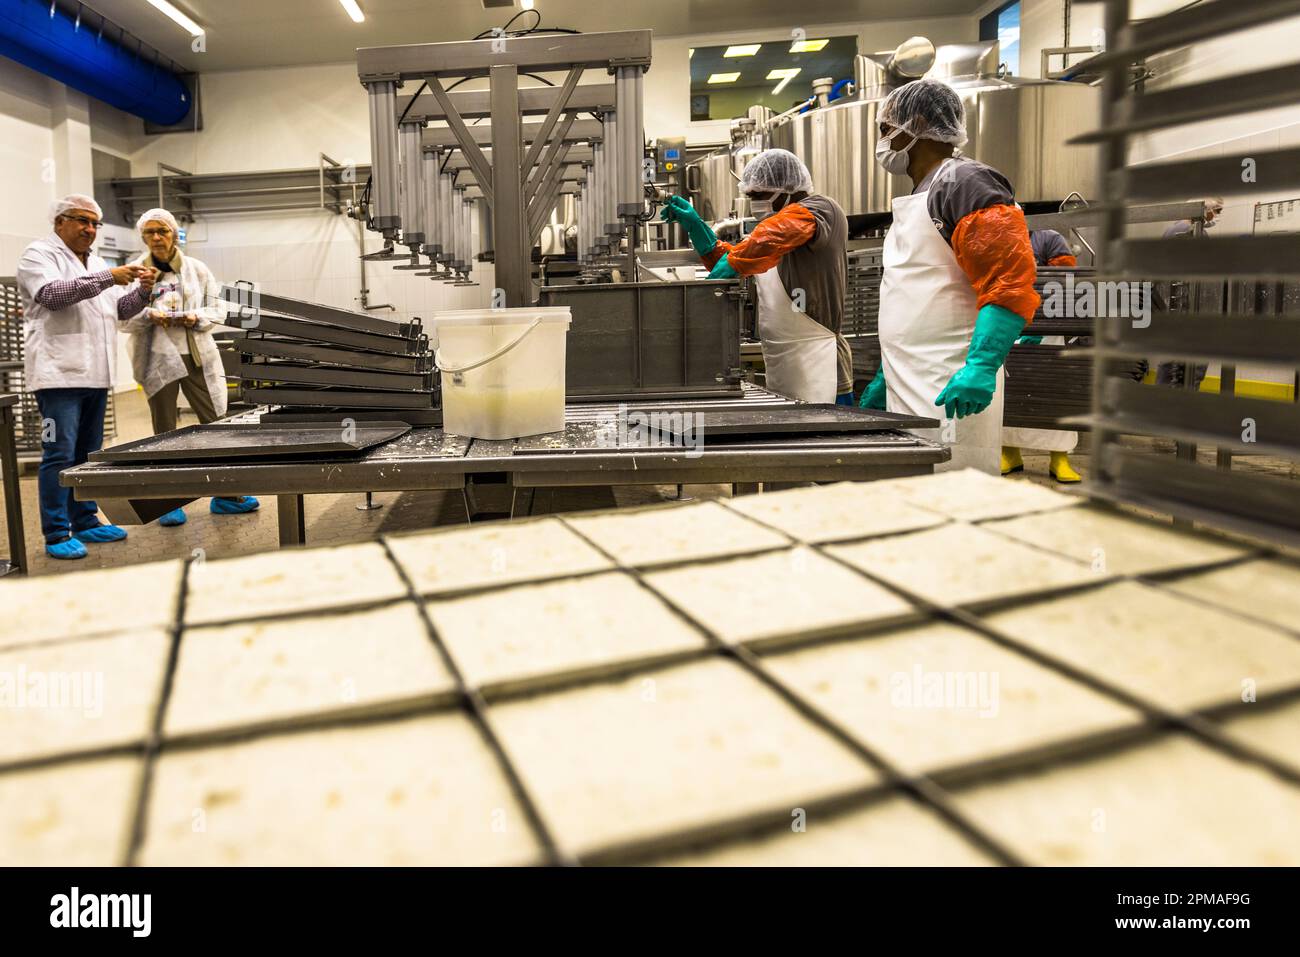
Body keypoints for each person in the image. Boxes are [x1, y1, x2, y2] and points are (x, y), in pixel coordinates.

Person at [858, 78, 1039, 474]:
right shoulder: (925, 190)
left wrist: (981, 366)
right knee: (916, 497)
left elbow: (1008, 282)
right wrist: (885, 374)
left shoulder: (965, 183)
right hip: (910, 377)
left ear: (917, 124)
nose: (883, 141)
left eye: (886, 129)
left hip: (951, 382)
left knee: (954, 495)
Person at [16, 194, 154, 559]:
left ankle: (87, 521)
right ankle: (57, 532)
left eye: (95, 223)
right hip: (56, 377)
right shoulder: (39, 255)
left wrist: (143, 292)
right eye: (81, 220)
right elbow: (51, 295)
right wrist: (109, 276)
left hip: (95, 374)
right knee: (58, 454)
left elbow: (120, 310)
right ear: (59, 222)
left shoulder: (95, 261)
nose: (89, 229)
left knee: (87, 456)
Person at [660, 148, 852, 405]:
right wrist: (697, 228)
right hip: (782, 364)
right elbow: (738, 259)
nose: (754, 203)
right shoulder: (771, 236)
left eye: (758, 194)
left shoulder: (821, 210)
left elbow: (761, 243)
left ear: (788, 187)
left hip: (822, 362)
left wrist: (731, 264)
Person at [124, 208, 258, 526]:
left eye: (162, 231)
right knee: (164, 432)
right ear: (143, 237)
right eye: (149, 233)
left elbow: (219, 308)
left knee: (215, 424)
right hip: (158, 359)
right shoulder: (136, 272)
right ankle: (169, 501)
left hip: (197, 356)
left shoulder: (196, 269)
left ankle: (226, 496)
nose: (156, 238)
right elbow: (123, 316)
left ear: (173, 233)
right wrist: (149, 316)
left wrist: (195, 316)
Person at [1000, 228, 1083, 483]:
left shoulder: (1049, 239)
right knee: (1010, 394)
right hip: (1011, 325)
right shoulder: (1000, 240)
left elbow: (1065, 281)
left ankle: (1060, 459)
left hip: (1048, 329)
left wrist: (1042, 321)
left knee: (1052, 392)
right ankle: (1010, 453)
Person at [1155, 197, 1223, 390]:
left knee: (1172, 364)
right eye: (1216, 210)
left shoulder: (1173, 229)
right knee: (1190, 367)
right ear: (1204, 209)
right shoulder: (1190, 232)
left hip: (1174, 308)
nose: (1216, 216)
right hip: (1186, 307)